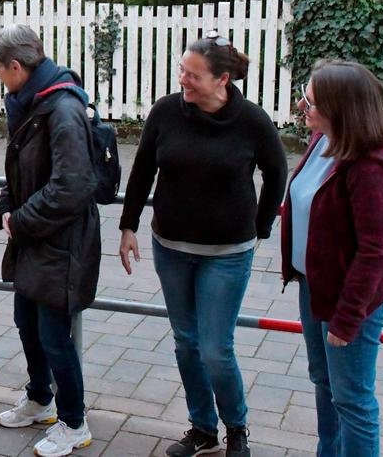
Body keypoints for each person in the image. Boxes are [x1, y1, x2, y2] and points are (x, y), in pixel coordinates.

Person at [117, 31, 287, 457]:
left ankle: (236, 428)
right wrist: (128, 225)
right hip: (171, 248)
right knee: (187, 343)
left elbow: (277, 173)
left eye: (193, 75)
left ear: (221, 79)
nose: (183, 80)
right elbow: (142, 170)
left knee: (215, 349)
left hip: (226, 255)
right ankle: (202, 429)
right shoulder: (165, 112)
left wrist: (261, 227)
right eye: (182, 71)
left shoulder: (252, 120)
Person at [281, 60, 383, 457]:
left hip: (351, 298)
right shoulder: (324, 138)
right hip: (315, 286)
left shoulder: (371, 164)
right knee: (325, 383)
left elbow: (375, 251)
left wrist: (348, 317)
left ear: (342, 109)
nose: (302, 106)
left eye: (310, 101)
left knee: (352, 399)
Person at [0, 24, 100, 457]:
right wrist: (6, 207)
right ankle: (40, 399)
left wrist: (21, 220)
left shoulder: (62, 108)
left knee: (54, 336)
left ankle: (74, 422)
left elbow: (72, 186)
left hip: (61, 242)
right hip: (36, 238)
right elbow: (20, 168)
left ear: (16, 66)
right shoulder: (31, 102)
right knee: (28, 323)